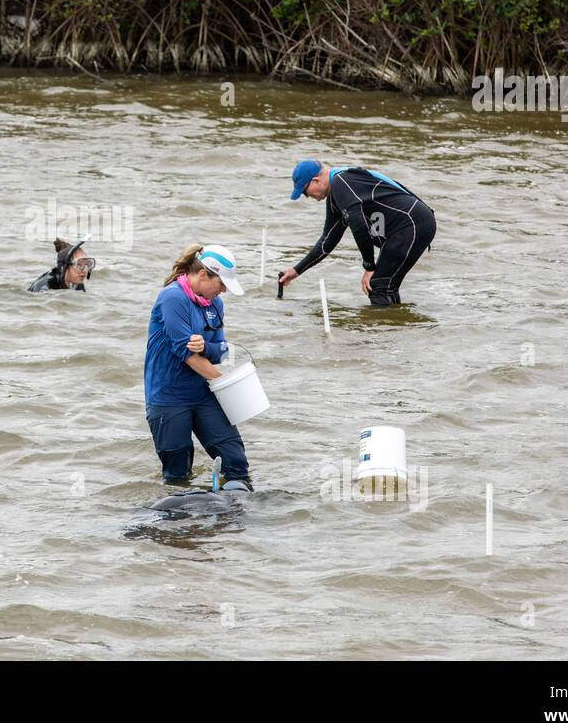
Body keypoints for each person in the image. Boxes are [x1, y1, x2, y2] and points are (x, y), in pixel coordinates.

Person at [143, 244, 252, 491]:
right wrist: (231, 386)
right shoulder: (172, 298)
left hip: (203, 393)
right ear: (203, 275)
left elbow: (221, 350)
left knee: (236, 463)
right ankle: (182, 526)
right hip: (168, 397)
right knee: (178, 476)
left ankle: (237, 518)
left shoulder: (215, 305)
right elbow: (187, 356)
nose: (223, 290)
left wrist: (204, 347)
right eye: (221, 284)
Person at [278, 159, 435, 305]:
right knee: (383, 286)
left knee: (377, 286)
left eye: (305, 192)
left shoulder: (341, 183)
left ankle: (382, 333)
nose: (306, 197)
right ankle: (395, 327)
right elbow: (328, 240)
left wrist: (369, 267)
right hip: (407, 227)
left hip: (412, 224)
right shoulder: (336, 194)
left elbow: (359, 227)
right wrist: (297, 270)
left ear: (315, 181)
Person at [28, 238, 95, 292]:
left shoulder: (78, 284)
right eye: (79, 265)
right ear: (64, 267)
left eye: (87, 264)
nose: (84, 270)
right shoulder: (45, 286)